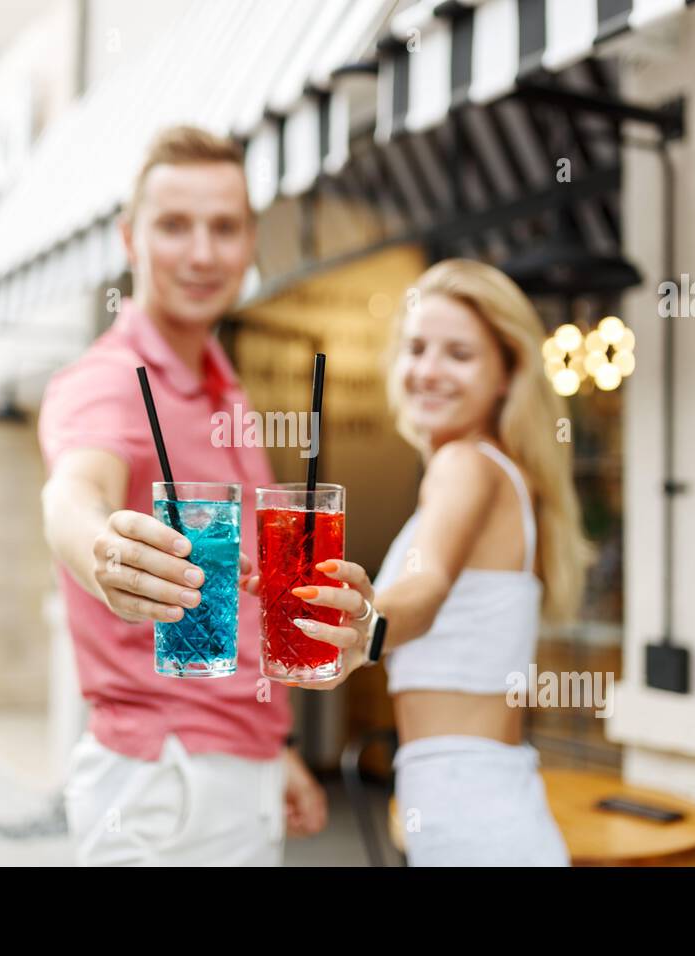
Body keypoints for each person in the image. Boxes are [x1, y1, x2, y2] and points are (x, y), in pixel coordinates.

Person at [39, 125, 327, 866]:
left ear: (251, 241)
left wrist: (273, 747)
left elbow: (257, 605)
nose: (202, 253)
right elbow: (72, 493)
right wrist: (103, 551)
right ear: (130, 239)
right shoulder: (108, 380)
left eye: (224, 228)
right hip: (163, 784)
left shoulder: (224, 387)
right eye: (175, 226)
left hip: (235, 764)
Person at [253, 259, 588, 865]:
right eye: (416, 349)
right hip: (474, 802)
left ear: (507, 373)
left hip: (474, 814)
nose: (429, 371)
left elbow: (426, 585)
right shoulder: (495, 470)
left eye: (458, 354)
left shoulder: (466, 465)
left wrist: (369, 626)